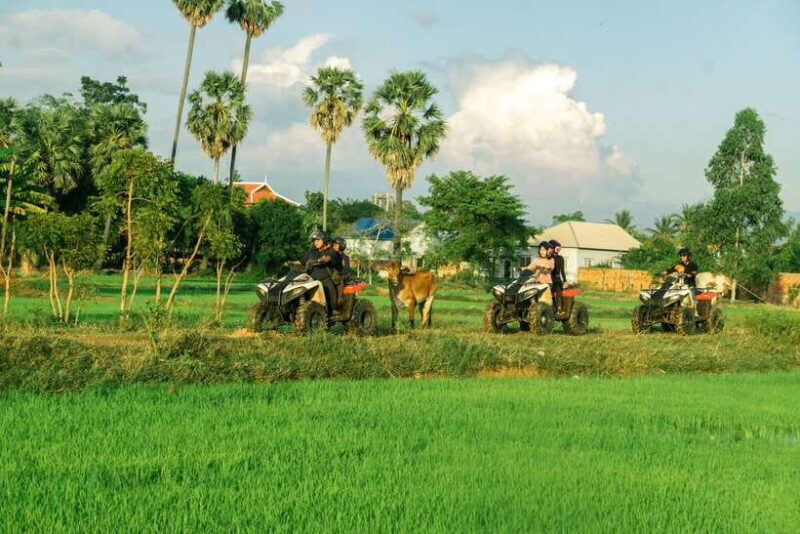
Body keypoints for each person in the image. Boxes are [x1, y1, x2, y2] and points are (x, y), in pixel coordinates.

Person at [302, 230, 337, 313]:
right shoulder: (311, 251)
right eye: (314, 241)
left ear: (324, 240)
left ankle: (331, 311)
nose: (316, 242)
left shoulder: (330, 250)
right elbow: (302, 261)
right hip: (311, 280)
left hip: (325, 279)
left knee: (329, 294)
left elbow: (326, 259)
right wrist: (290, 262)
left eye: (318, 240)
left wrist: (318, 260)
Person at [549, 239, 568, 314]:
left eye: (559, 248)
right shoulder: (549, 258)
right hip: (549, 278)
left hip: (557, 279)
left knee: (559, 293)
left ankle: (559, 309)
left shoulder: (561, 258)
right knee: (550, 295)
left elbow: (562, 270)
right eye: (556, 248)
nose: (558, 250)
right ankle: (551, 308)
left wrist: (565, 280)